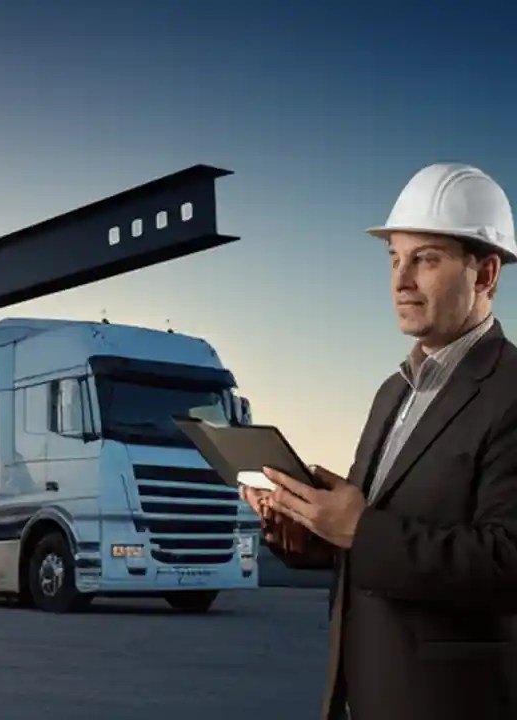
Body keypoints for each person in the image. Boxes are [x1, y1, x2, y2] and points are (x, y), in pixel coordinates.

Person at [242, 162, 517, 720]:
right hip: (361, 695)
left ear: (485, 274)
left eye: (426, 259)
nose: (400, 280)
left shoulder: (511, 391)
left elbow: (507, 561)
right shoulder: (392, 391)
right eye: (394, 259)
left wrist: (358, 529)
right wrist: (309, 531)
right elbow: (367, 538)